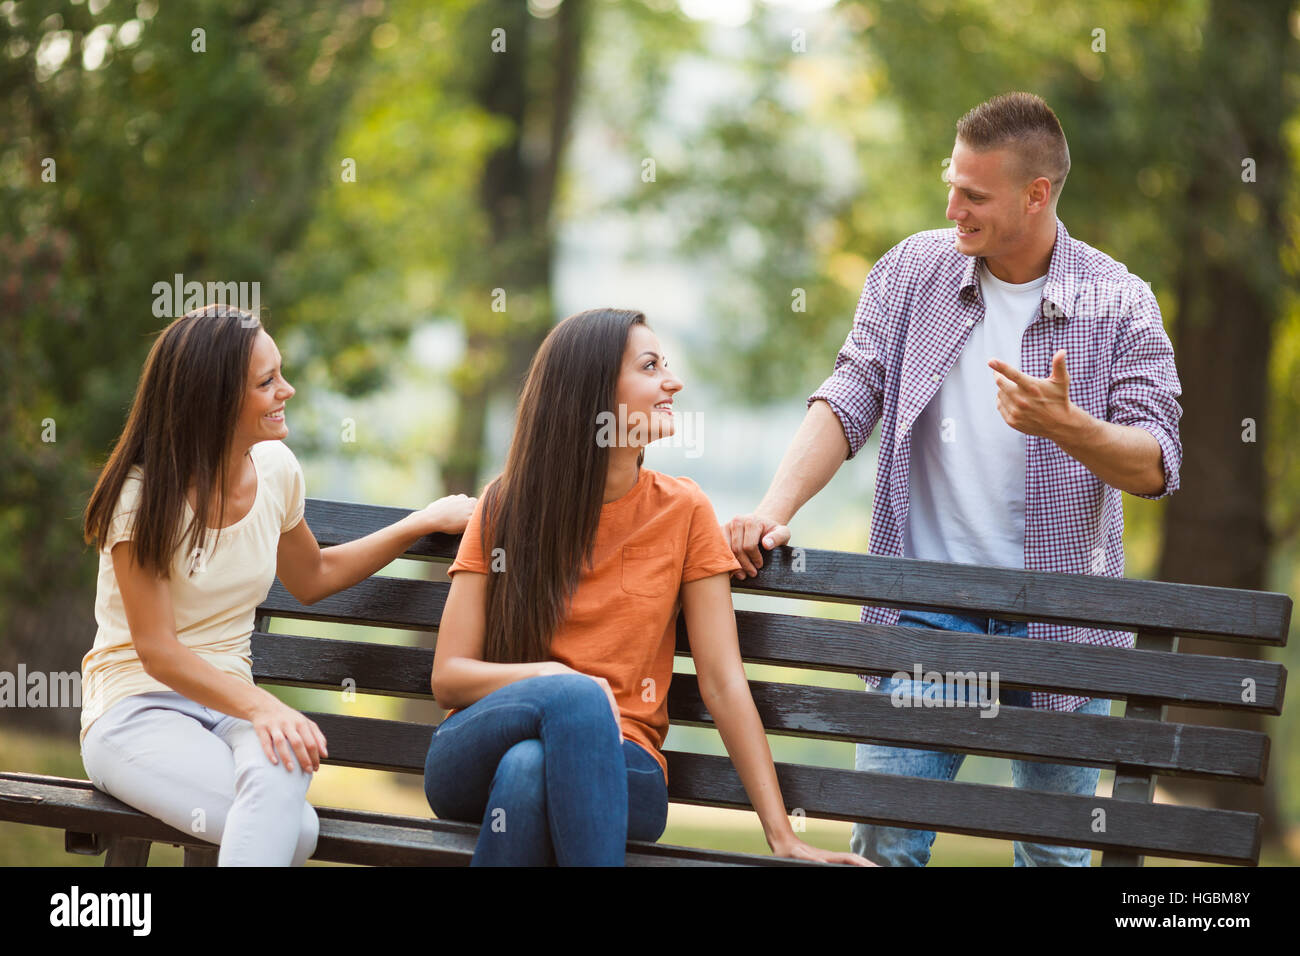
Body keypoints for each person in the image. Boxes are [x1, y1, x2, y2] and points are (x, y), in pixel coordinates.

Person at [725, 92, 1184, 867]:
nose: (953, 206)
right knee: (886, 844)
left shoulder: (1120, 301)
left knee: (1055, 859)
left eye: (975, 194)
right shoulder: (914, 272)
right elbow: (851, 391)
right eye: (952, 184)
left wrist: (1068, 427)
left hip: (1064, 622)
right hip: (929, 617)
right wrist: (774, 509)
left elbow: (1157, 461)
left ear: (1036, 194)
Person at [423, 307, 873, 867]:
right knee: (554, 721)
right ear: (593, 391)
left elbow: (722, 682)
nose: (673, 381)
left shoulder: (683, 510)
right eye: (650, 365)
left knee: (528, 771)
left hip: (623, 764)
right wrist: (557, 680)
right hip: (475, 755)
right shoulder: (506, 507)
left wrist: (783, 836)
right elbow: (449, 678)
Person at [80, 303, 475, 866]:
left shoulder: (275, 471)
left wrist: (419, 522)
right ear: (215, 402)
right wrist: (266, 708)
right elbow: (158, 650)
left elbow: (313, 576)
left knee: (284, 778)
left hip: (230, 711)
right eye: (267, 382)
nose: (286, 390)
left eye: (280, 373)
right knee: (294, 832)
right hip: (136, 709)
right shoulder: (140, 500)